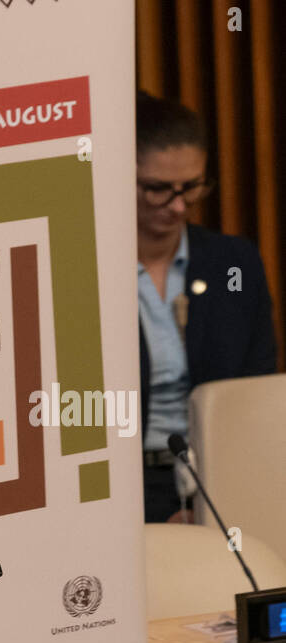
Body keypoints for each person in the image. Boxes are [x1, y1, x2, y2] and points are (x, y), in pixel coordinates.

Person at [136, 91, 278, 524]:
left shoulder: (234, 263)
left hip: (222, 478)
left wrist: (218, 493)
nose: (178, 206)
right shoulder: (84, 270)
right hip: (125, 488)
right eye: (158, 189)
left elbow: (253, 394)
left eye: (191, 187)